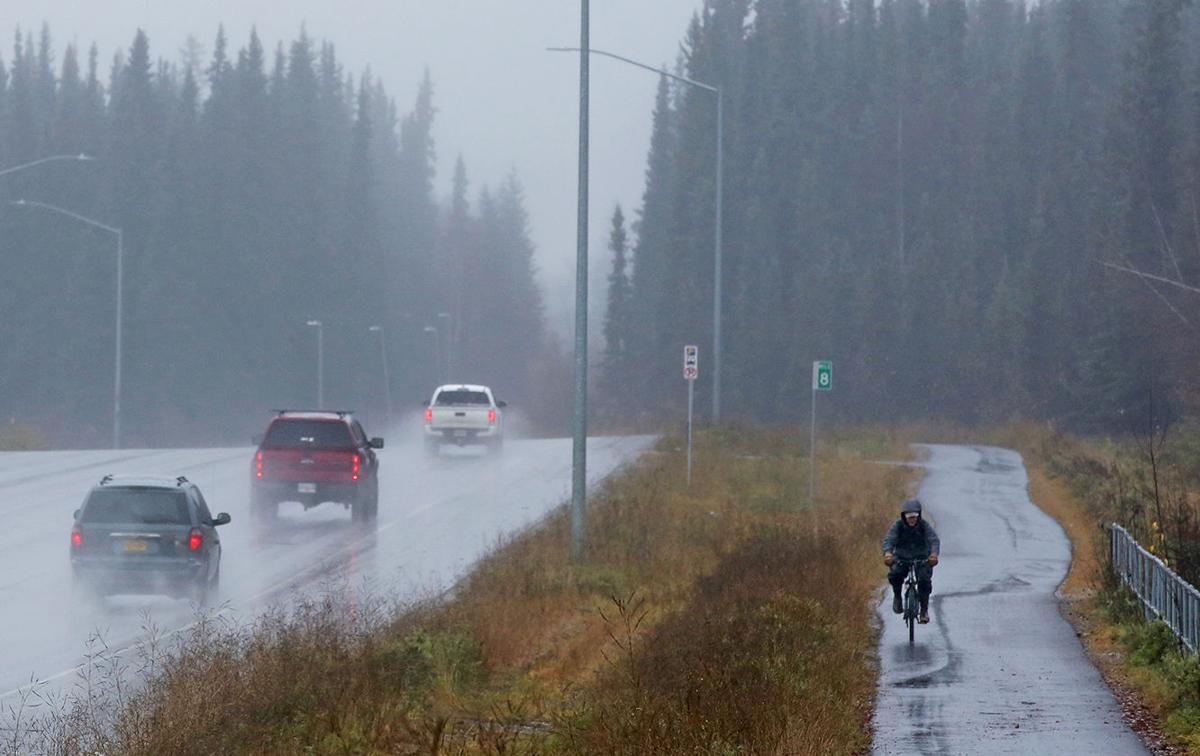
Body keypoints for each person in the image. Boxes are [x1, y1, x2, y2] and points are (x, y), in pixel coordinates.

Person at [882, 499, 940, 624]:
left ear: (919, 515)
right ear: (904, 516)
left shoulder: (924, 526)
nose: (911, 519)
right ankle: (897, 597)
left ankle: (924, 611)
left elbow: (934, 540)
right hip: (901, 557)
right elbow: (889, 540)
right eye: (908, 517)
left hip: (921, 557)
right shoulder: (898, 526)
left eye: (914, 516)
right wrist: (888, 553)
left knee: (924, 580)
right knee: (895, 575)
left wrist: (934, 554)